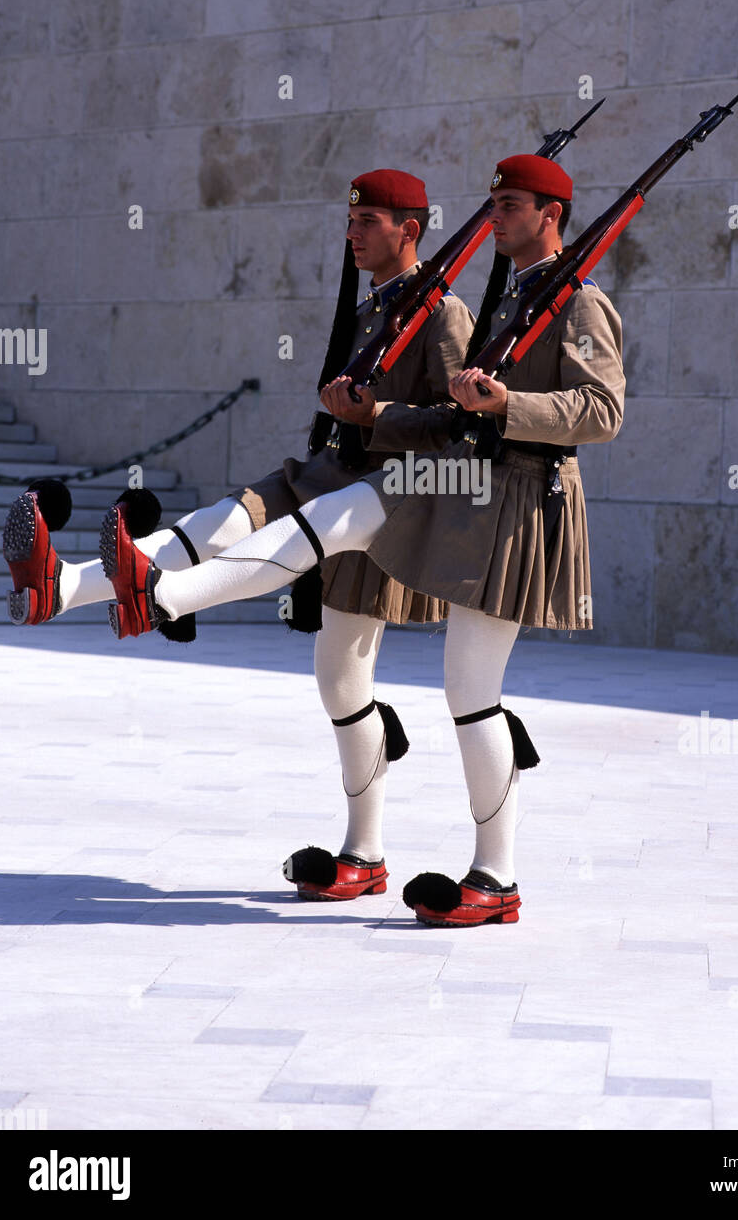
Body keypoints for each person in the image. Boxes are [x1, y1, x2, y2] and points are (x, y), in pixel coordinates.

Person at [98, 154, 626, 927]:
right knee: (375, 636)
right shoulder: (507, 302)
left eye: (510, 205)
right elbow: (452, 415)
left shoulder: (579, 303)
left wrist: (506, 401)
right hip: (471, 487)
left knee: (471, 692)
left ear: (550, 213)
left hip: (522, 500)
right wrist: (376, 417)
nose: (496, 217)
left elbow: (601, 410)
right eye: (494, 203)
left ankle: (496, 875)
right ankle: (373, 851)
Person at [2, 168, 474, 901]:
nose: (352, 232)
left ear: (411, 231)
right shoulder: (373, 306)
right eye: (351, 220)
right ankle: (61, 588)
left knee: (341, 681)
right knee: (227, 522)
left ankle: (364, 851)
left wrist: (374, 417)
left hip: (384, 504)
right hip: (330, 472)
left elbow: (458, 426)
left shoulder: (443, 315)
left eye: (369, 222)